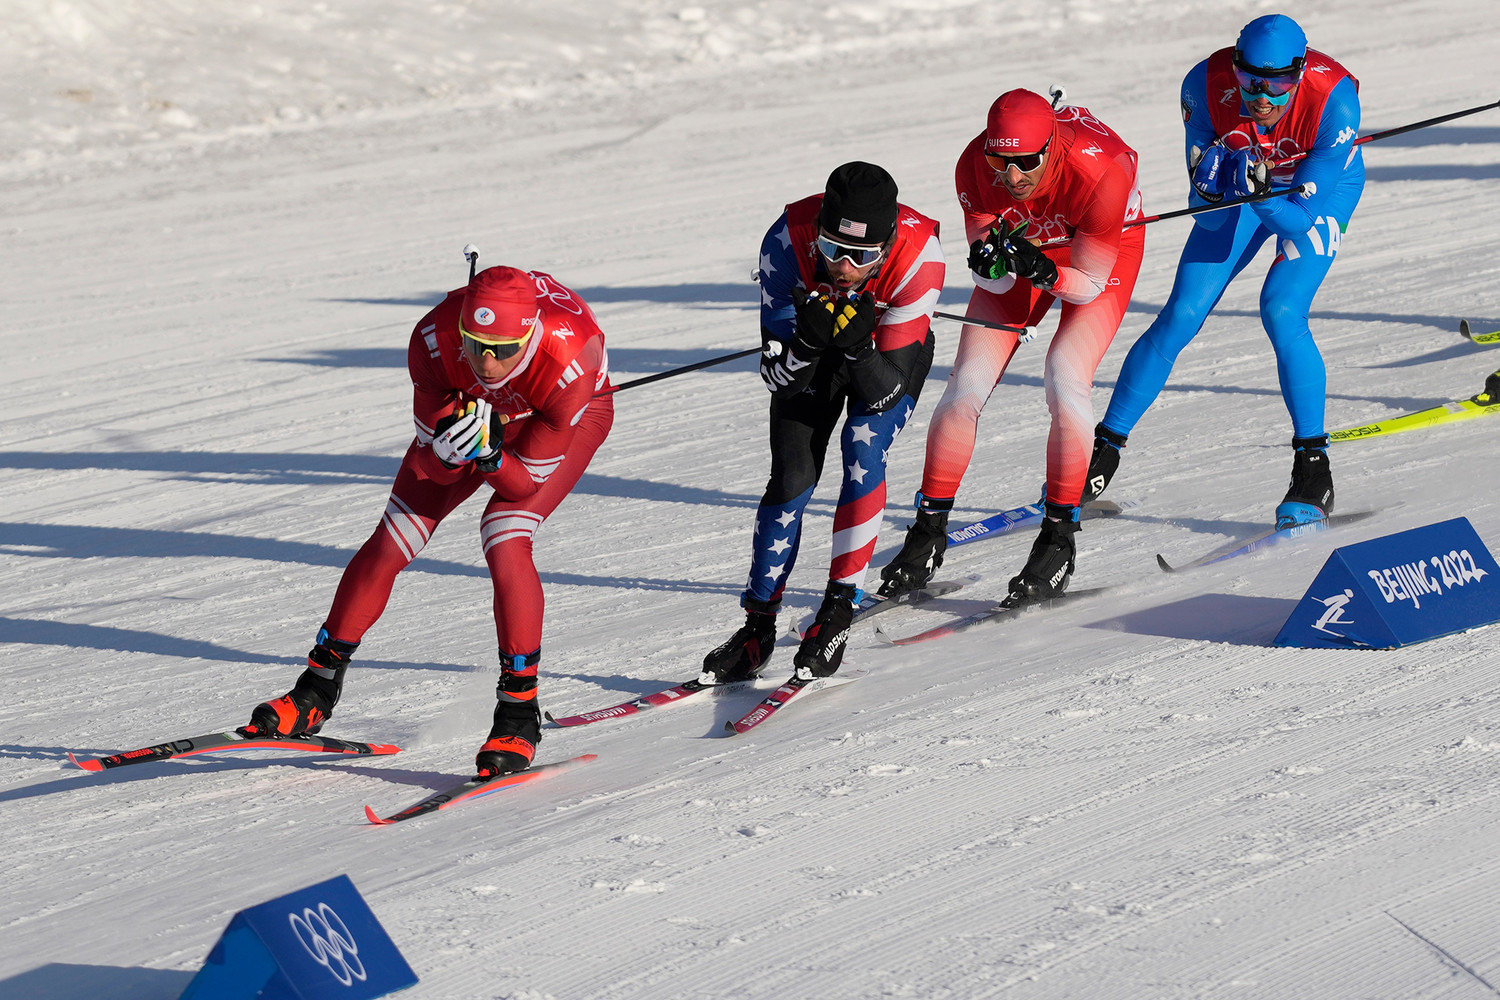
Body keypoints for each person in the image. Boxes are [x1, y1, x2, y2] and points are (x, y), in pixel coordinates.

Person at [242, 265, 613, 778]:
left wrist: (490, 458)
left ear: (528, 333)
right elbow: (434, 467)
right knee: (395, 534)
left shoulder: (571, 359)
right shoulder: (434, 338)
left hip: (560, 415)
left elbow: (522, 485)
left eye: (502, 349)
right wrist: (446, 450)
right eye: (476, 343)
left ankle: (518, 711)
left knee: (504, 535)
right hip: (482, 414)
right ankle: (315, 687)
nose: (486, 360)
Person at [1086, 13, 1363, 528]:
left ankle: (1313, 465)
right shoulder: (1205, 84)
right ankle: (1103, 453)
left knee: (1281, 308)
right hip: (1250, 185)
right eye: (1250, 76)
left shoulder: (1336, 100)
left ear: (1299, 72)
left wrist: (1256, 188)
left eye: (1279, 80)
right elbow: (1202, 199)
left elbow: (1301, 220)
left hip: (1315, 194)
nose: (1263, 92)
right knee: (1182, 313)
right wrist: (1217, 184)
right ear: (1234, 66)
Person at [879, 89, 1144, 605]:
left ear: (1050, 147)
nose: (1013, 176)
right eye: (1001, 160)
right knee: (963, 391)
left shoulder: (1099, 172)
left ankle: (1059, 536)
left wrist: (1039, 267)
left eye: (1026, 161)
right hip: (1033, 252)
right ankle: (929, 529)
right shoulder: (974, 168)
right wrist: (994, 264)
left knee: (1065, 374)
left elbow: (1088, 284)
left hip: (1097, 256)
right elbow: (996, 287)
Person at [700, 161, 945, 683]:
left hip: (881, 358)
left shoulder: (920, 255)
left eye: (862, 259)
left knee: (864, 445)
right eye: (833, 252)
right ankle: (757, 626)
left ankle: (836, 610)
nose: (844, 269)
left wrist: (858, 348)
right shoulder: (787, 241)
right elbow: (777, 377)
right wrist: (807, 342)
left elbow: (886, 394)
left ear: (888, 245)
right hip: (816, 355)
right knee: (791, 476)